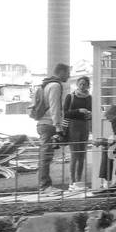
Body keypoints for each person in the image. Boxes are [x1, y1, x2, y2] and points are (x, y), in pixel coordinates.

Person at [35, 63, 70, 194]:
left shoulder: (46, 84)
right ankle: (44, 186)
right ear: (61, 72)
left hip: (43, 123)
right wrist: (58, 126)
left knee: (45, 155)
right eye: (67, 73)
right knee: (46, 156)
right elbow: (55, 107)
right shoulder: (55, 86)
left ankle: (44, 185)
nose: (69, 76)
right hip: (48, 124)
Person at [63, 76, 93, 192]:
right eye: (80, 84)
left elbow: (93, 111)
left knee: (82, 155)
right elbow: (65, 113)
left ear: (88, 85)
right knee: (75, 154)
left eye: (84, 84)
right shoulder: (70, 96)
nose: (82, 86)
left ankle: (79, 181)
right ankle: (72, 182)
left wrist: (89, 114)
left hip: (84, 126)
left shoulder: (90, 98)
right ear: (77, 84)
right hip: (73, 126)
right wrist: (78, 111)